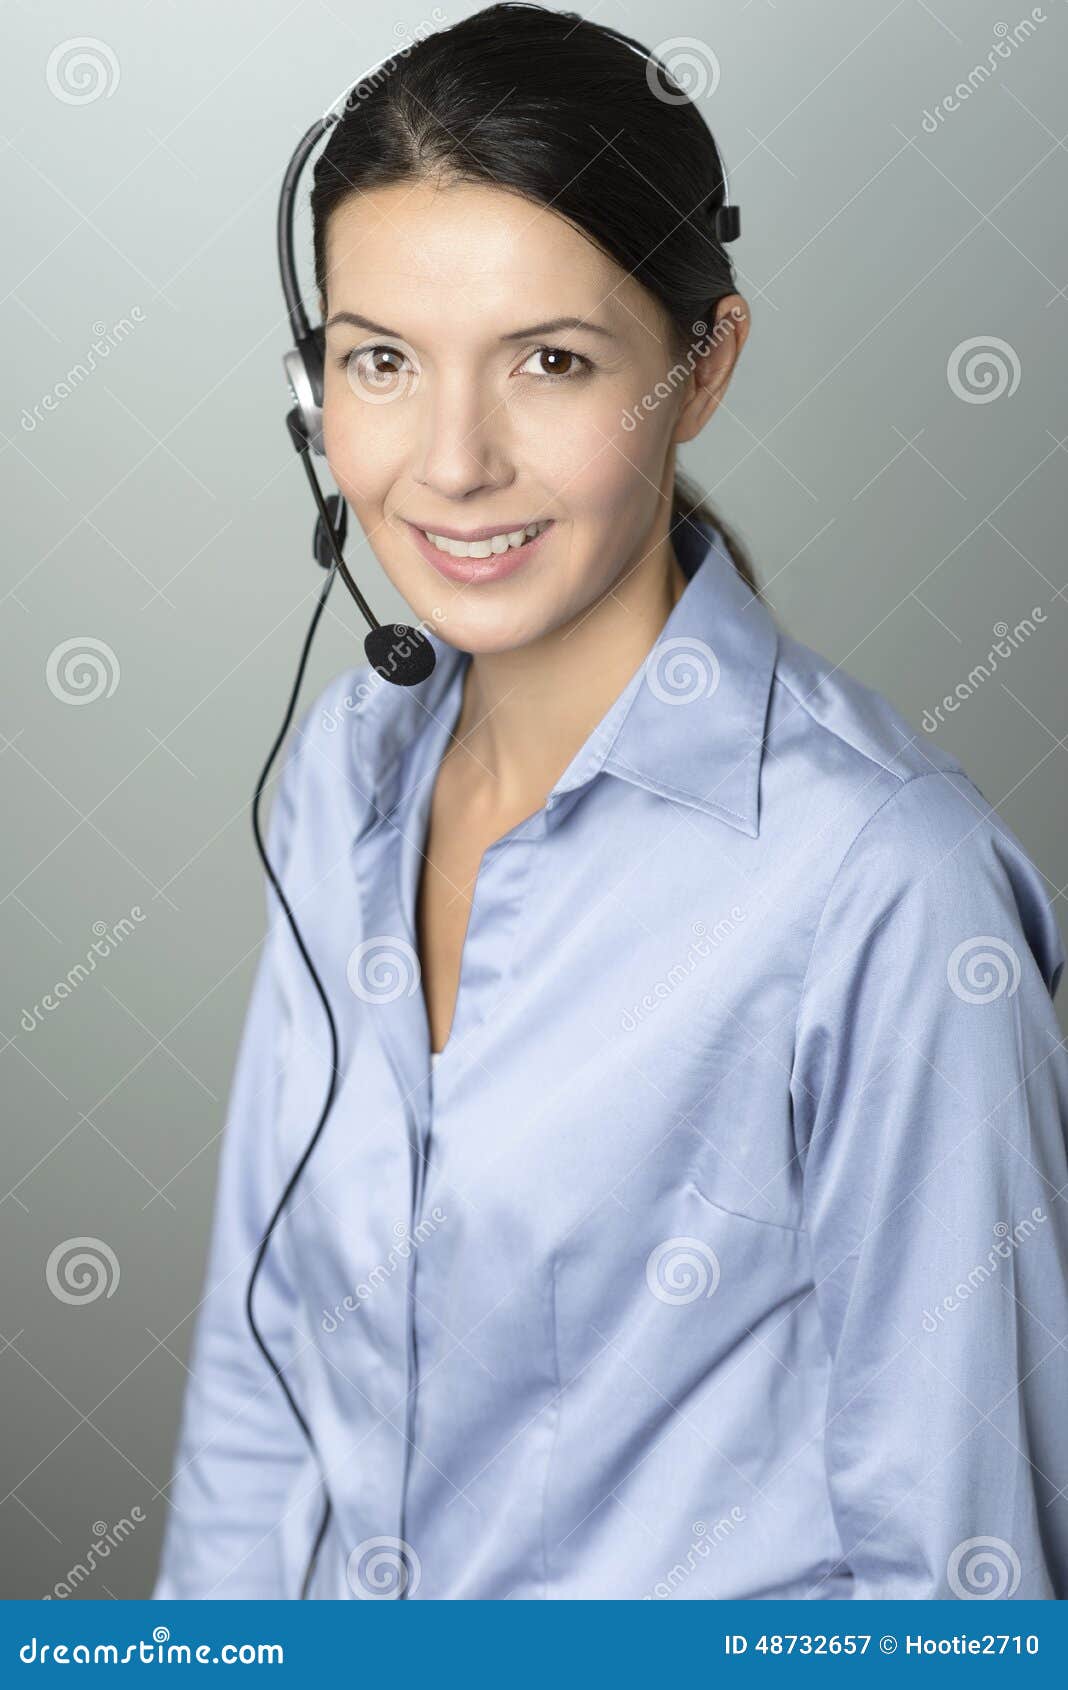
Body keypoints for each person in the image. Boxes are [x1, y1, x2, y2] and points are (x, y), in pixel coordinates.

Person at [152, 4, 1068, 1600]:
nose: (449, 463)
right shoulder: (337, 776)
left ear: (700, 367)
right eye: (381, 360)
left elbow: (962, 1597)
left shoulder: (885, 886)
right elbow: (263, 1377)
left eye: (552, 363)